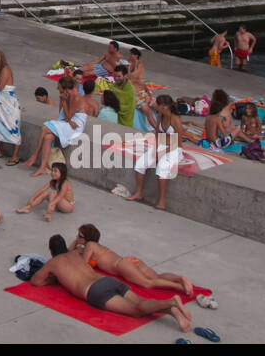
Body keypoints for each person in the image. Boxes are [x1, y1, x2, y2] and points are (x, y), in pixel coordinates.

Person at [29, 234, 192, 332]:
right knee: (142, 302)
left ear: (51, 251)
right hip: (106, 280)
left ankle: (172, 301)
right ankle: (171, 310)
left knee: (136, 311)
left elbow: (36, 281)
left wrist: (55, 279)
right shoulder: (76, 255)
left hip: (95, 291)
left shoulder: (54, 262)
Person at [71, 224, 195, 297]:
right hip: (128, 261)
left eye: (80, 236)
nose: (77, 238)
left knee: (148, 283)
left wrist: (75, 244)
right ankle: (180, 278)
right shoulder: (96, 247)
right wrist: (76, 243)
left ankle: (179, 287)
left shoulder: (90, 246)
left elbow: (84, 264)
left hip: (122, 266)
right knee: (156, 276)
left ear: (88, 238)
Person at [127, 95, 187, 210]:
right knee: (140, 163)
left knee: (162, 167)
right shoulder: (160, 115)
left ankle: (162, 201)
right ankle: (138, 193)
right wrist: (155, 148)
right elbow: (157, 133)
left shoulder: (175, 120)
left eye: (157, 104)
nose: (154, 105)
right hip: (161, 144)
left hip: (174, 148)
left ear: (164, 106)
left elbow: (178, 143)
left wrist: (163, 152)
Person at [30, 75, 87, 174]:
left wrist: (64, 101)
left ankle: (35, 155)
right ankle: (43, 167)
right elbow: (61, 112)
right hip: (68, 121)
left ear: (65, 88)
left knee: (44, 128)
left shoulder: (76, 97)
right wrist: (62, 100)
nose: (57, 88)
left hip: (76, 124)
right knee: (48, 137)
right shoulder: (66, 95)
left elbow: (69, 115)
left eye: (59, 87)